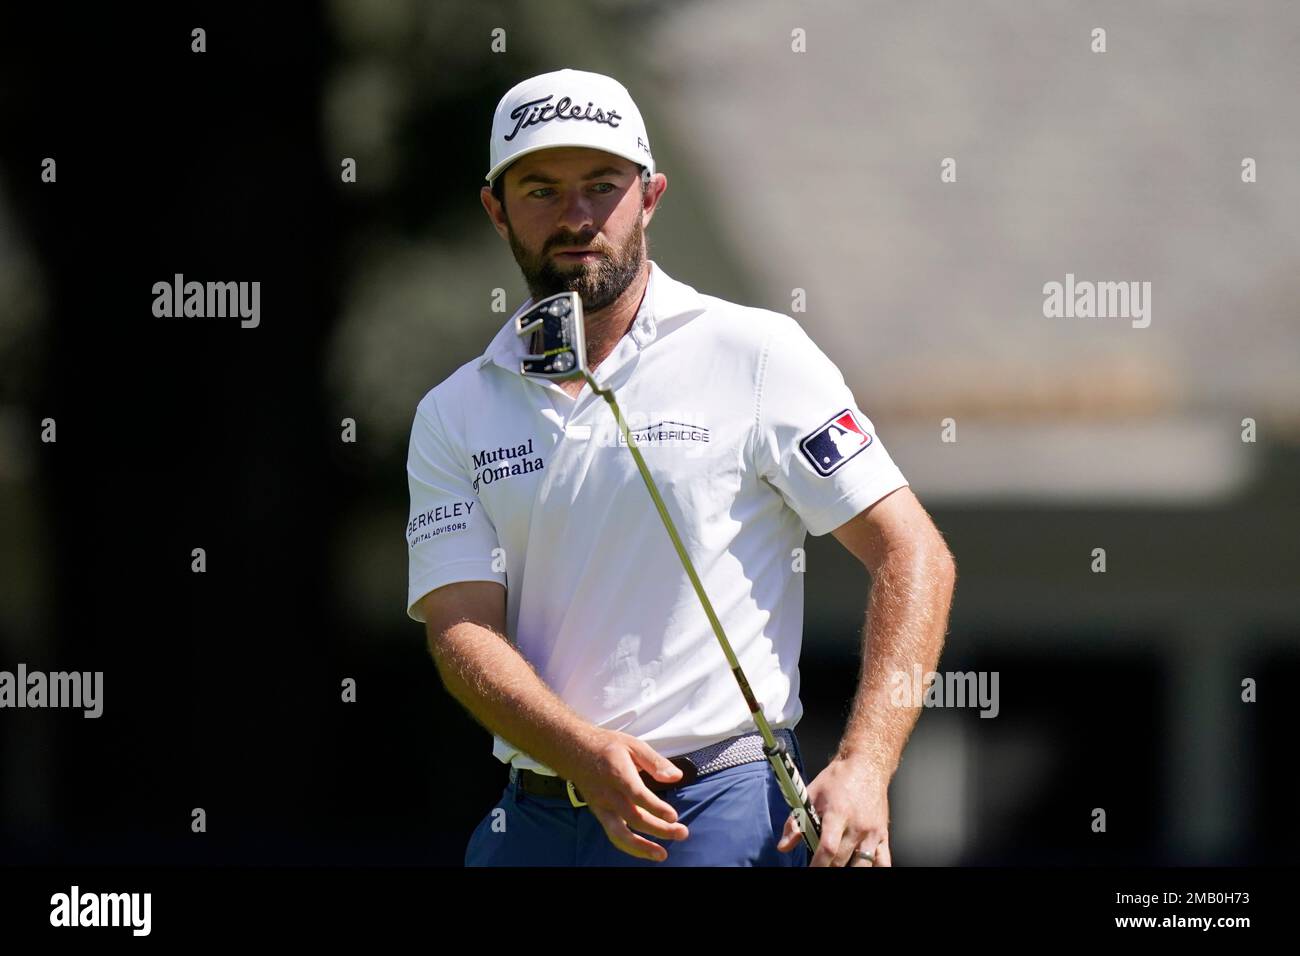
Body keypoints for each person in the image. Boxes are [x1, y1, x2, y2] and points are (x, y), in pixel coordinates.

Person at [405, 68, 956, 867]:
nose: (576, 216)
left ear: (651, 196)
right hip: (532, 820)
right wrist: (581, 752)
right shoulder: (456, 410)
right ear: (496, 210)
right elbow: (462, 628)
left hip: (722, 813)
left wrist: (867, 764)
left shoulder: (757, 354)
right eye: (540, 190)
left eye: (602, 185)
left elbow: (913, 552)